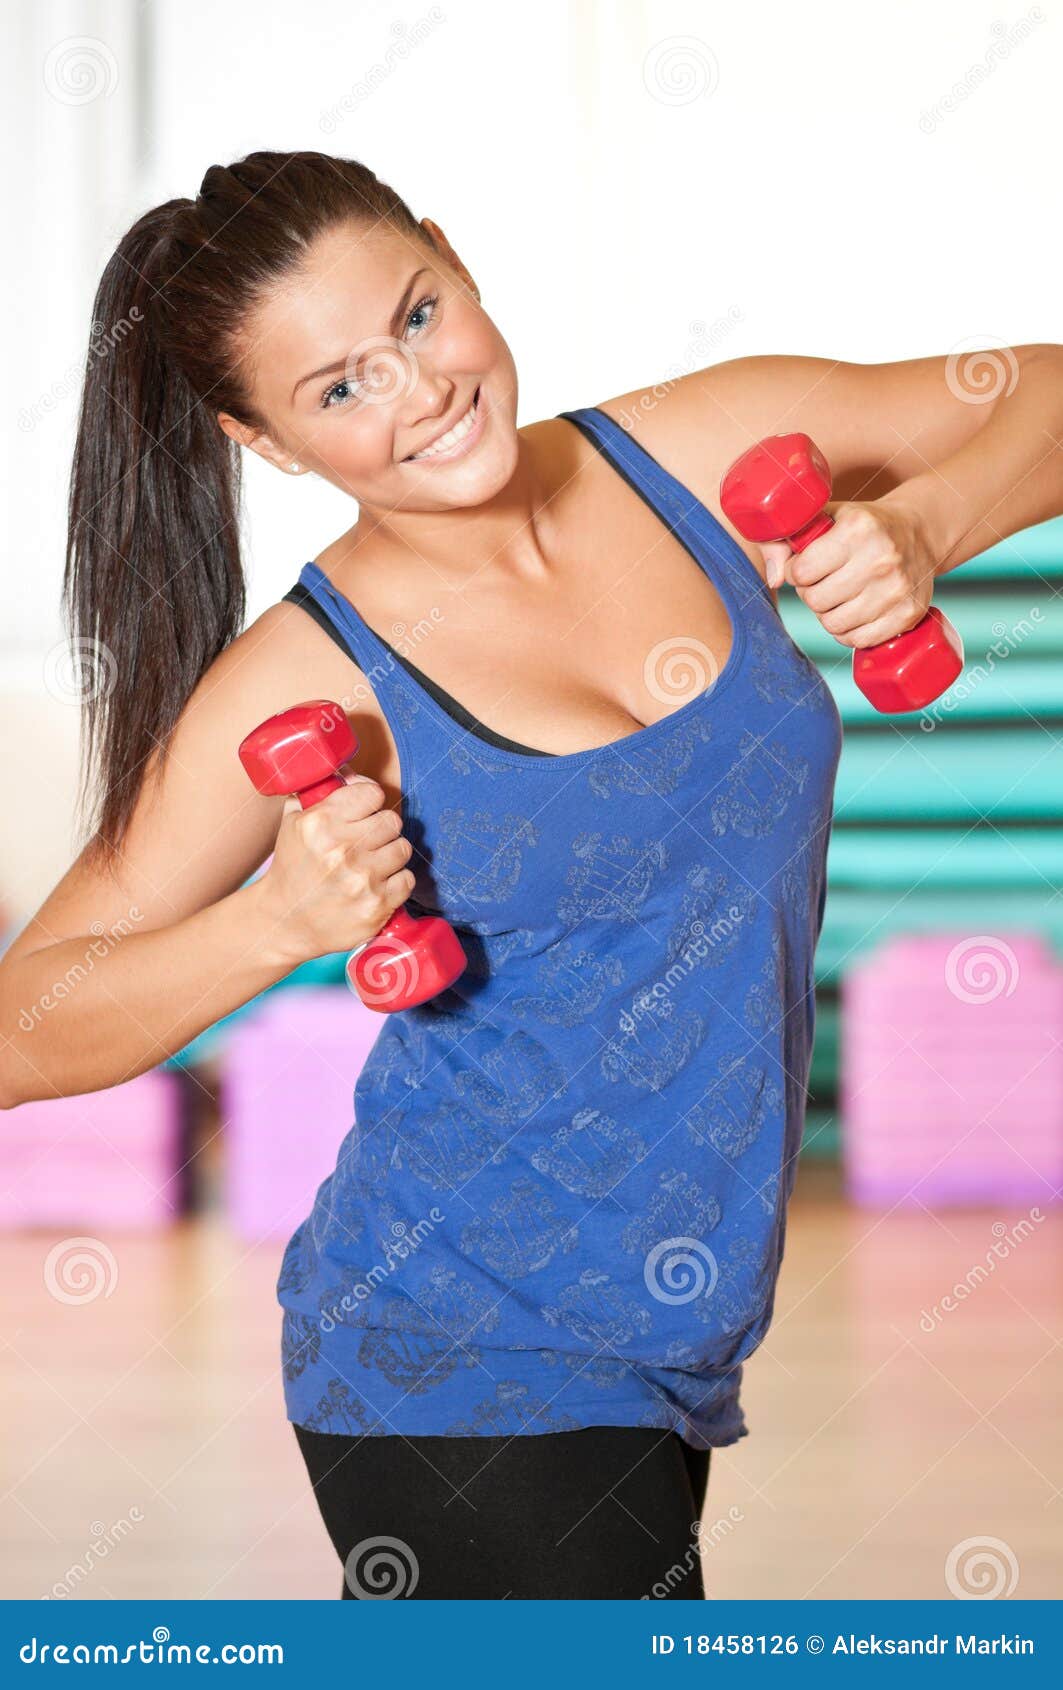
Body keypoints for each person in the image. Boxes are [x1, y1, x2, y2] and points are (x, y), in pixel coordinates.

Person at [2, 149, 1058, 1600]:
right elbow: (23, 1023)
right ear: (269, 441)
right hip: (459, 1348)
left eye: (418, 316)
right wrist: (275, 925)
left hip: (664, 1345)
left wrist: (926, 527)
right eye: (339, 389)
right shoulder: (309, 674)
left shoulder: (694, 451)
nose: (419, 389)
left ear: (452, 252)